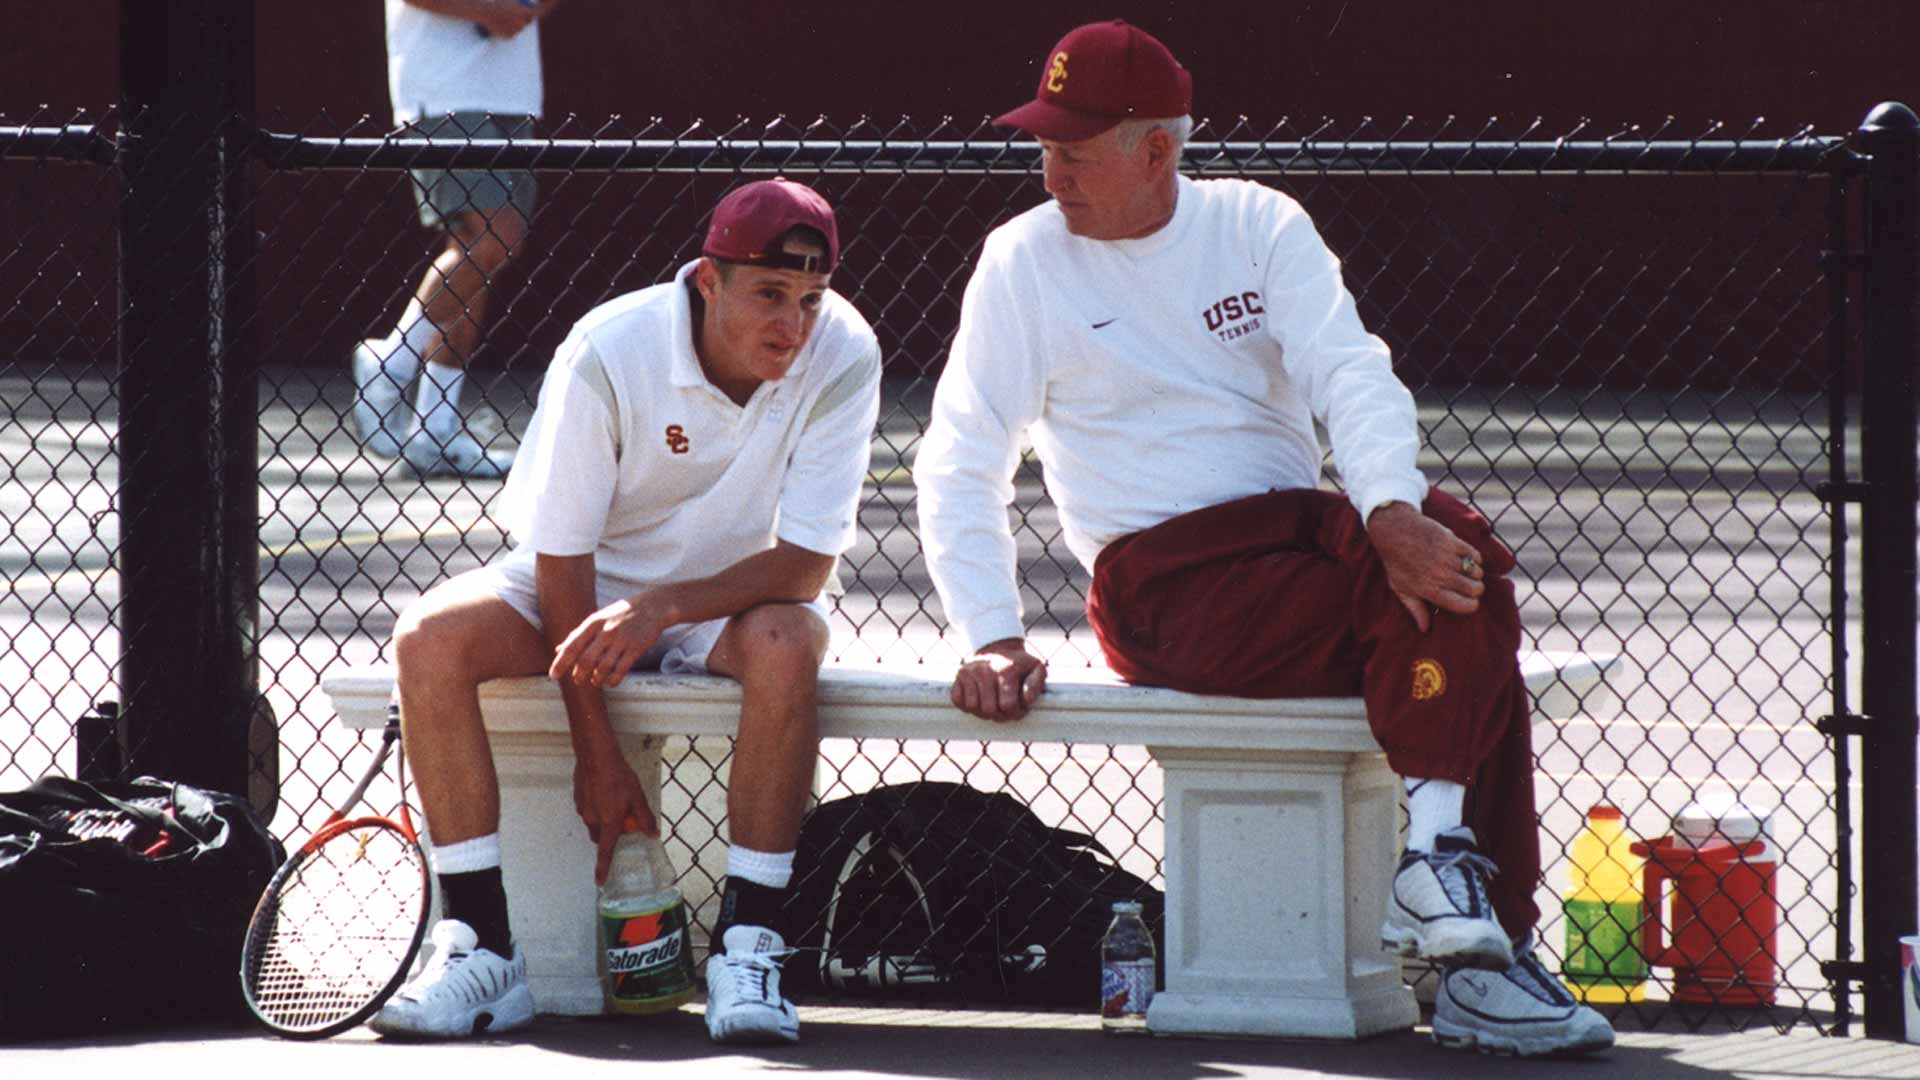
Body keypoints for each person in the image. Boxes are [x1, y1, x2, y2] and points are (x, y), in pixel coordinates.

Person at [913, 20, 1615, 1058]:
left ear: (1157, 150)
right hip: (1161, 580)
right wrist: (989, 630)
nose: (1050, 166)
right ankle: (1478, 940)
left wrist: (1387, 513)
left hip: (1302, 534)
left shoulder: (1257, 225)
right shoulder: (1021, 261)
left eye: (1077, 144)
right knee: (1473, 604)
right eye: (1045, 141)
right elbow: (962, 454)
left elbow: (1350, 370)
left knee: (1452, 547)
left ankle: (1438, 874)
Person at [370, 179, 881, 1045]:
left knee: (794, 637)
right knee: (428, 638)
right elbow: (560, 560)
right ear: (708, 282)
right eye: (768, 295)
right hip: (570, 590)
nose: (792, 325)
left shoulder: (844, 352)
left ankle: (749, 948)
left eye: (809, 299)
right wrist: (597, 753)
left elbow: (805, 563)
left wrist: (661, 607)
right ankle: (482, 954)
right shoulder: (609, 349)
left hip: (712, 603)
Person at [352, 0, 557, 479]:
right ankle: (391, 360)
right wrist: (489, 10)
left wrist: (524, 10)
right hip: (443, 90)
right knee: (493, 239)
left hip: (512, 94)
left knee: (474, 257)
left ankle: (434, 430)